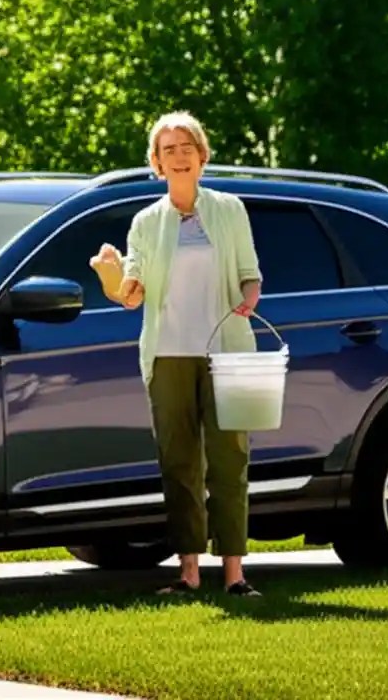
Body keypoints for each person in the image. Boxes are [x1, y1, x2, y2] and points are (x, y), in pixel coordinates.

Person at [89, 110, 263, 597]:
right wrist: (111, 273)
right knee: (179, 464)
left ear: (202, 157)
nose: (179, 156)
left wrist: (249, 296)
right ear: (157, 163)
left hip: (226, 353)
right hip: (168, 356)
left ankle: (235, 574)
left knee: (229, 463)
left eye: (187, 148)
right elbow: (133, 292)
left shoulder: (230, 210)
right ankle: (189, 572)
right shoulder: (146, 223)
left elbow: (250, 272)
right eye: (169, 150)